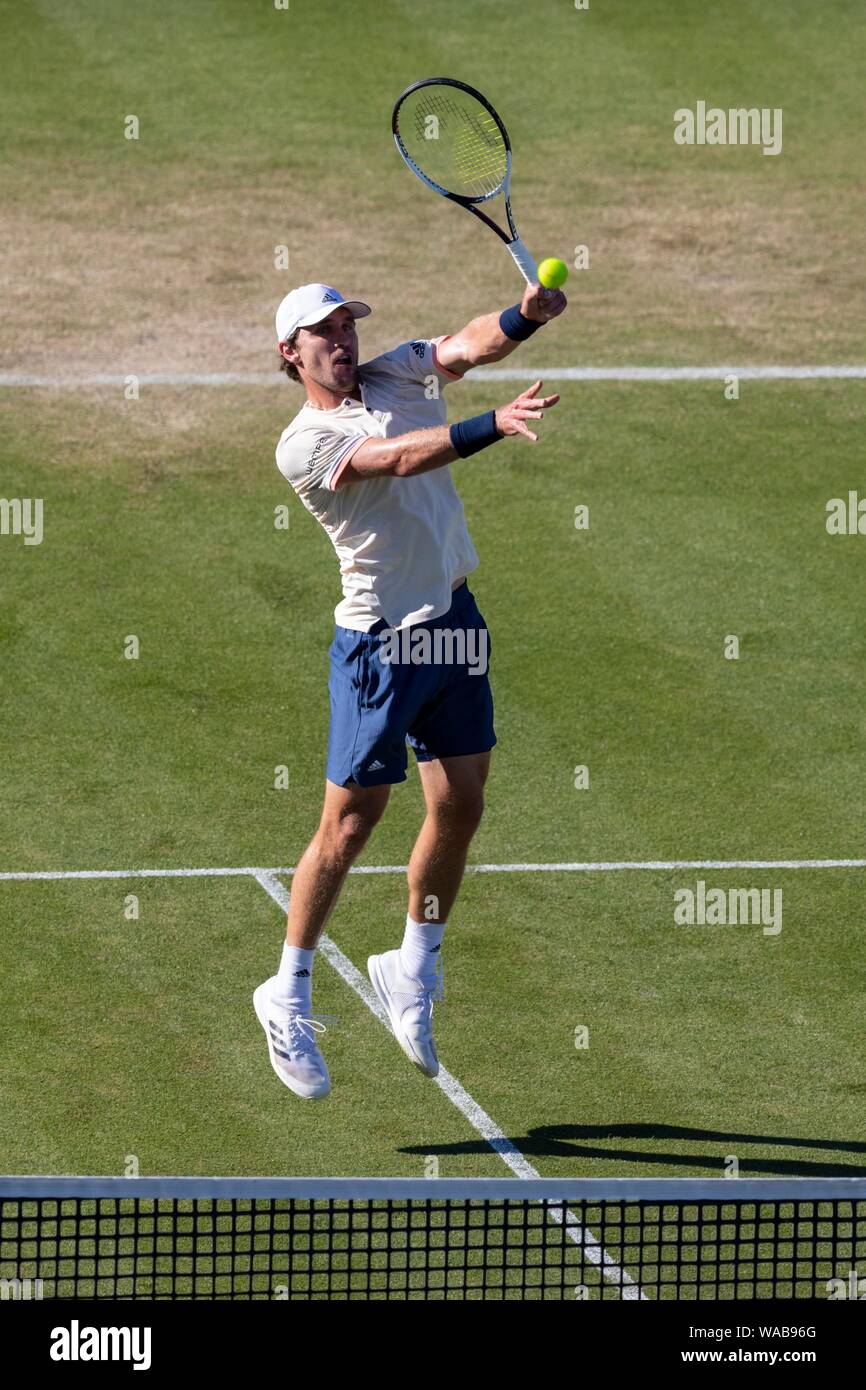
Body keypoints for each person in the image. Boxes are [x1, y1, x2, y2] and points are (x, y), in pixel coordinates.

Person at [254, 278, 566, 1098]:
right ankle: (286, 989)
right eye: (322, 334)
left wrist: (522, 318)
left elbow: (466, 345)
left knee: (462, 802)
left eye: (346, 325)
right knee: (352, 823)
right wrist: (489, 427)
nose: (342, 341)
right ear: (292, 354)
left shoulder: (396, 374)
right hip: (380, 645)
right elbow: (391, 459)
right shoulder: (302, 444)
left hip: (455, 620)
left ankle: (412, 965)